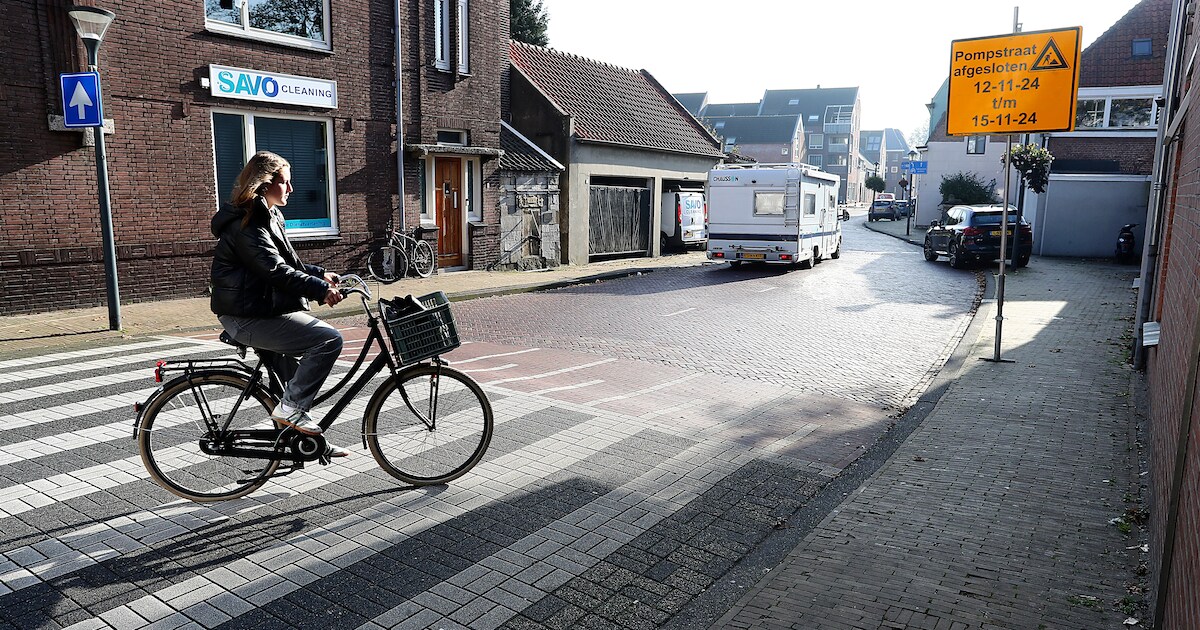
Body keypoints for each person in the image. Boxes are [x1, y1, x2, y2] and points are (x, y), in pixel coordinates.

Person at [209, 151, 349, 458]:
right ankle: (292, 411)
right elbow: (274, 270)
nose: (291, 189)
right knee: (328, 340)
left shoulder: (268, 215)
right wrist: (320, 290)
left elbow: (286, 262)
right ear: (264, 185)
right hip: (246, 316)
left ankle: (307, 441)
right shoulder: (248, 223)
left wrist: (318, 274)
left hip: (260, 310)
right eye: (285, 182)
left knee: (293, 376)